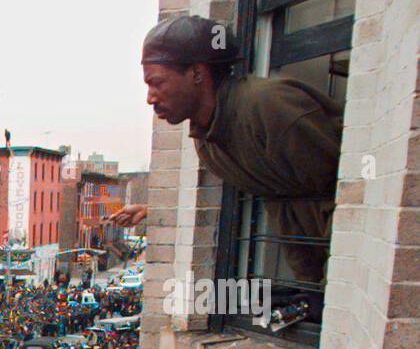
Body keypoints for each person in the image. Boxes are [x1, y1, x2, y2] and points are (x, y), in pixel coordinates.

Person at [112, 14, 343, 284]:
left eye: (157, 82)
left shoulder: (269, 106)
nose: (150, 97)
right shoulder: (207, 139)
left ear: (197, 73)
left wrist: (340, 279)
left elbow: (352, 190)